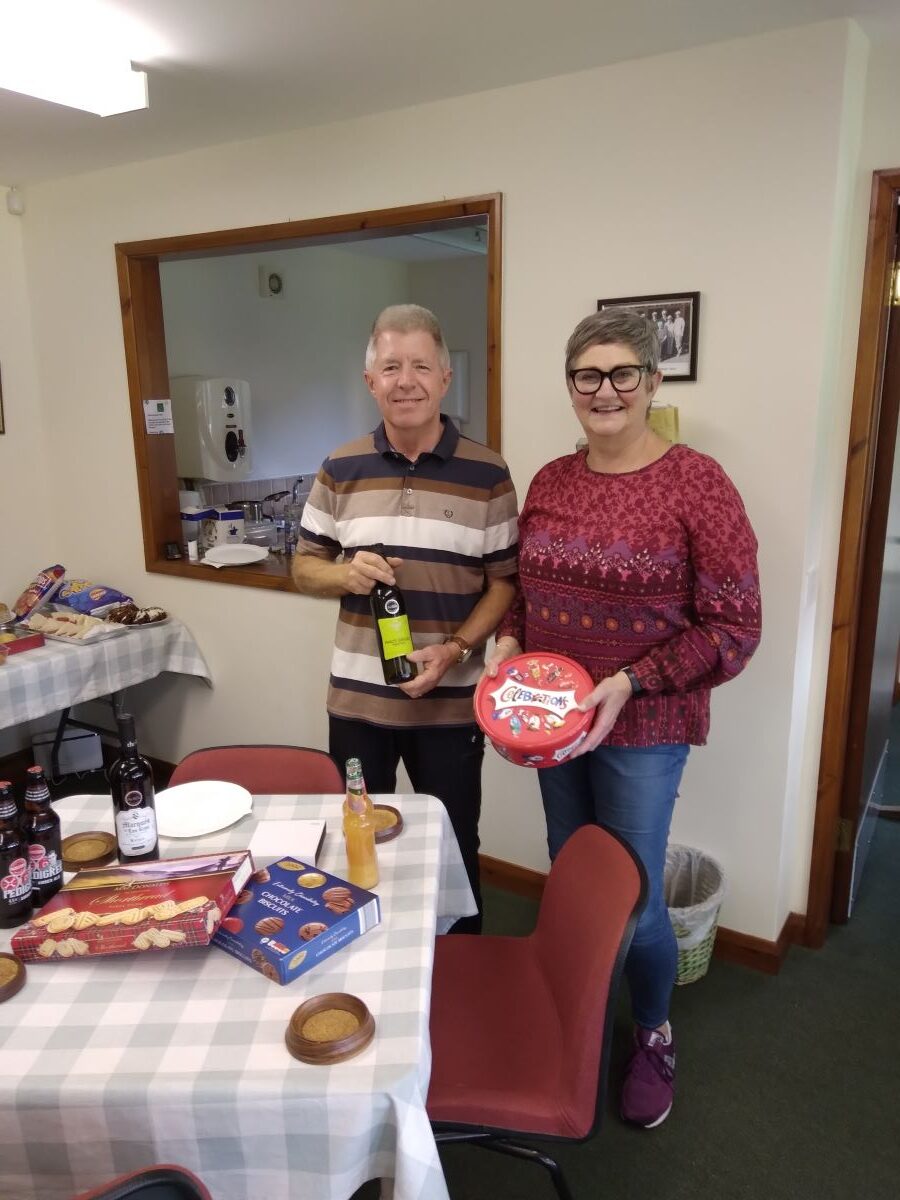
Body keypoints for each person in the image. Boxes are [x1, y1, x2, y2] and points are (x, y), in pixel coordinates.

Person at [488, 308, 761, 1127]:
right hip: (556, 729)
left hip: (643, 730)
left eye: (622, 374)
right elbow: (529, 599)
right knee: (571, 875)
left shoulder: (697, 484)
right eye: (587, 375)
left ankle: (651, 1031)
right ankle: (577, 1014)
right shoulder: (550, 481)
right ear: (570, 385)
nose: (603, 391)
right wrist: (506, 643)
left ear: (653, 382)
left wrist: (634, 683)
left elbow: (734, 627)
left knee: (633, 895)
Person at [292, 304, 518, 933]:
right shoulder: (339, 468)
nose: (406, 380)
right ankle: (365, 950)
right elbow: (304, 567)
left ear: (446, 378)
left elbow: (504, 583)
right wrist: (345, 574)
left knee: (455, 841)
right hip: (359, 704)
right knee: (358, 838)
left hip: (449, 703)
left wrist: (456, 648)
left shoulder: (488, 473)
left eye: (421, 365)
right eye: (391, 366)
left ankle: (463, 967)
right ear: (371, 382)